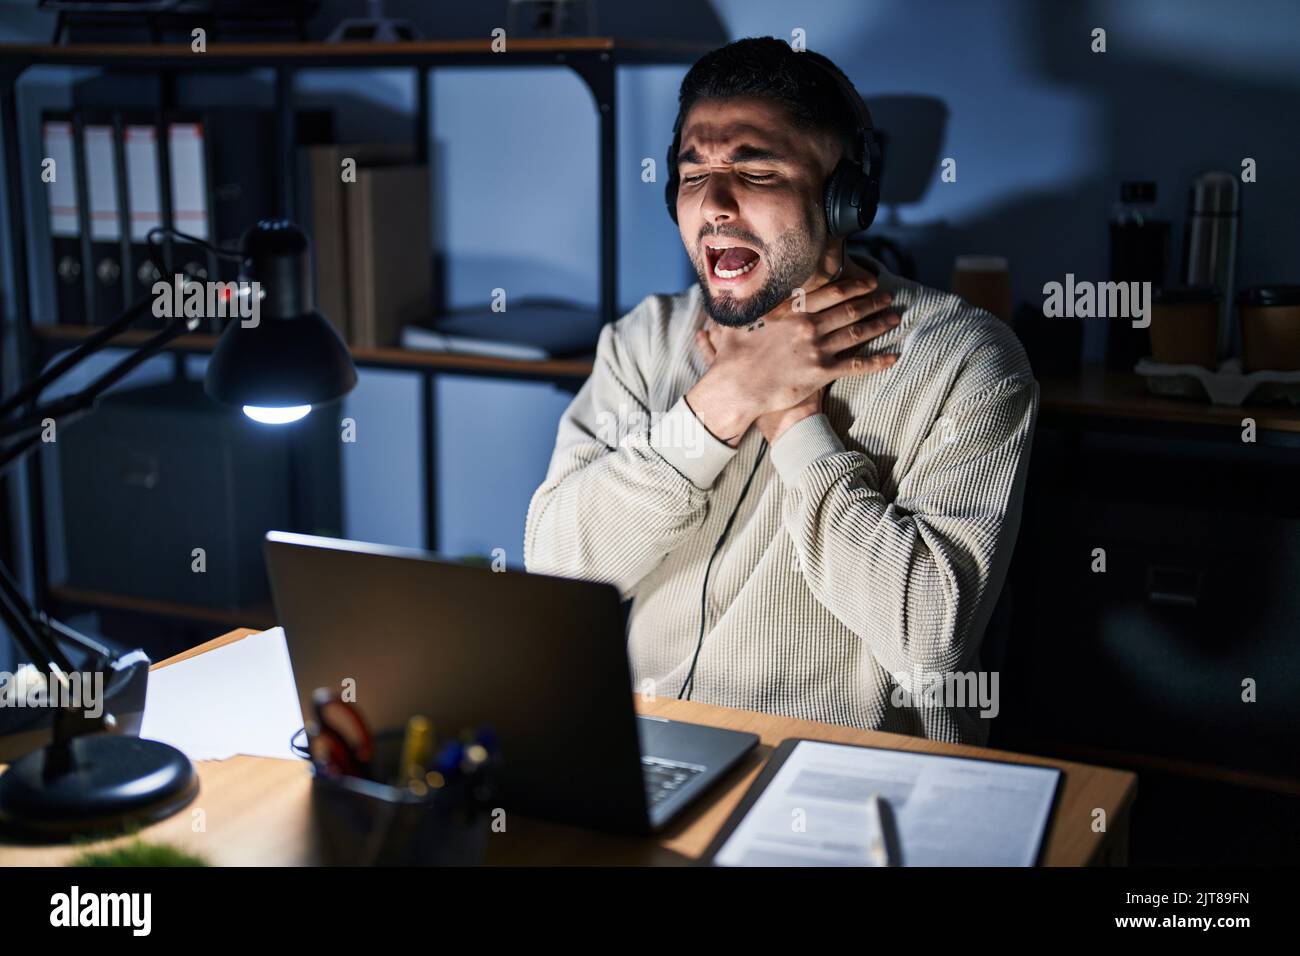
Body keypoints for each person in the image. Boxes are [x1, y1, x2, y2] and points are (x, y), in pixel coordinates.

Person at [525, 38, 1037, 745]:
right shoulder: (643, 341)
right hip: (646, 757)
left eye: (755, 170)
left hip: (848, 785)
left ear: (845, 196)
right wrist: (727, 397)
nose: (713, 204)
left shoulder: (966, 359)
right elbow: (556, 572)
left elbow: (929, 638)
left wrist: (796, 422)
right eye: (692, 171)